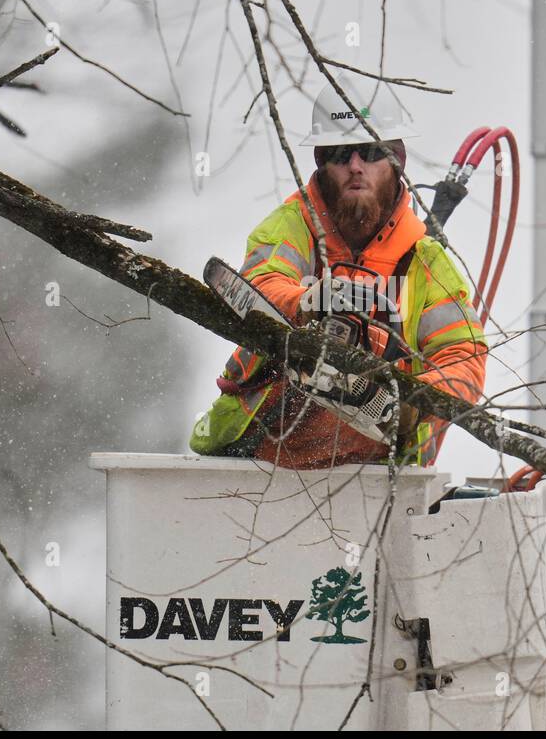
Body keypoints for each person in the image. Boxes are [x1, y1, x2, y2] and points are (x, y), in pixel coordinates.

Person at [189, 78, 487, 469]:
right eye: (341, 153)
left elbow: (463, 356)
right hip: (261, 459)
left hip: (379, 473)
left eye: (369, 152)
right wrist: (309, 302)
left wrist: (412, 400)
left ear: (396, 160)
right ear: (321, 162)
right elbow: (260, 284)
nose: (355, 166)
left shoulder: (424, 260)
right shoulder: (292, 226)